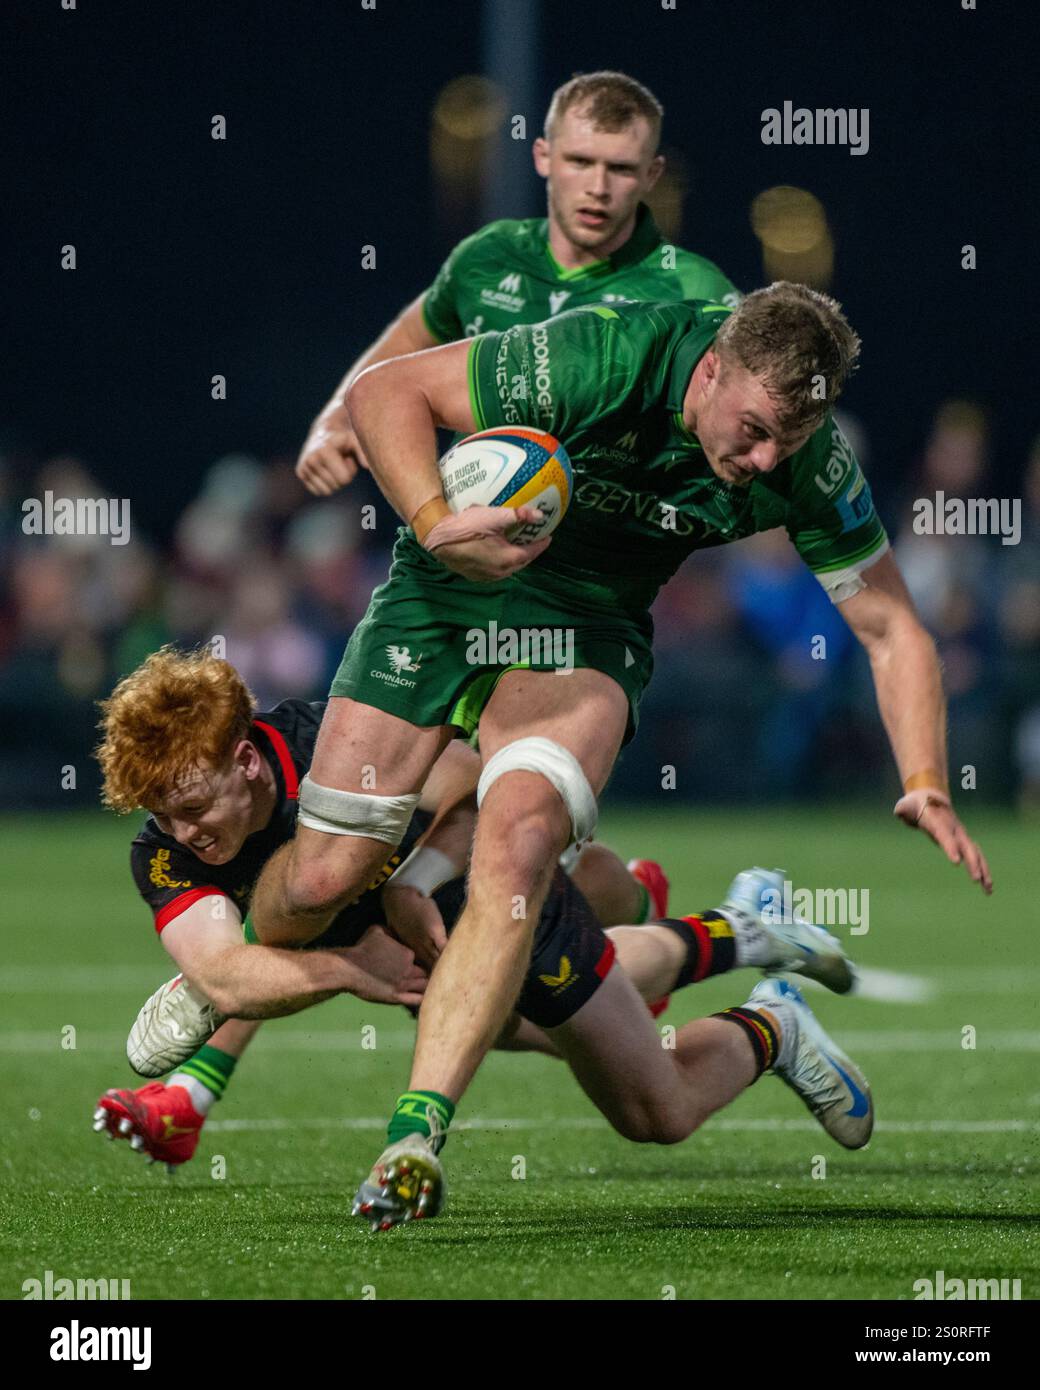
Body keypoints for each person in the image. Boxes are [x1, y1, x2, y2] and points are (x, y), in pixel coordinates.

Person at [244, 282, 986, 1227]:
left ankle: (414, 1136)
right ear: (709, 368)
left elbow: (894, 632)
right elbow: (385, 391)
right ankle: (744, 972)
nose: (760, 462)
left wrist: (924, 778)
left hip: (585, 632)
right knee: (317, 886)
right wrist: (436, 523)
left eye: (782, 448)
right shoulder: (604, 357)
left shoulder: (809, 464)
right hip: (444, 592)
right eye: (752, 429)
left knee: (512, 846)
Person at [90, 649, 868, 1197]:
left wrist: (415, 882)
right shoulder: (165, 851)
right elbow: (224, 973)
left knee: (642, 1078)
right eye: (162, 814)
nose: (181, 832)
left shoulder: (339, 745)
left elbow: (483, 793)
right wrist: (354, 970)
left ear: (248, 762)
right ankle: (771, 1018)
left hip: (484, 895)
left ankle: (746, 936)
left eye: (192, 807)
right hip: (412, 964)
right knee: (630, 1093)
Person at [295, 70, 738, 500]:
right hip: (467, 532)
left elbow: (750, 404)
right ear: (543, 157)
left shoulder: (692, 287)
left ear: (651, 175)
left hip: (602, 559)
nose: (598, 187)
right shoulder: (487, 256)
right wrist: (335, 421)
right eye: (580, 161)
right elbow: (411, 336)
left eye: (620, 169)